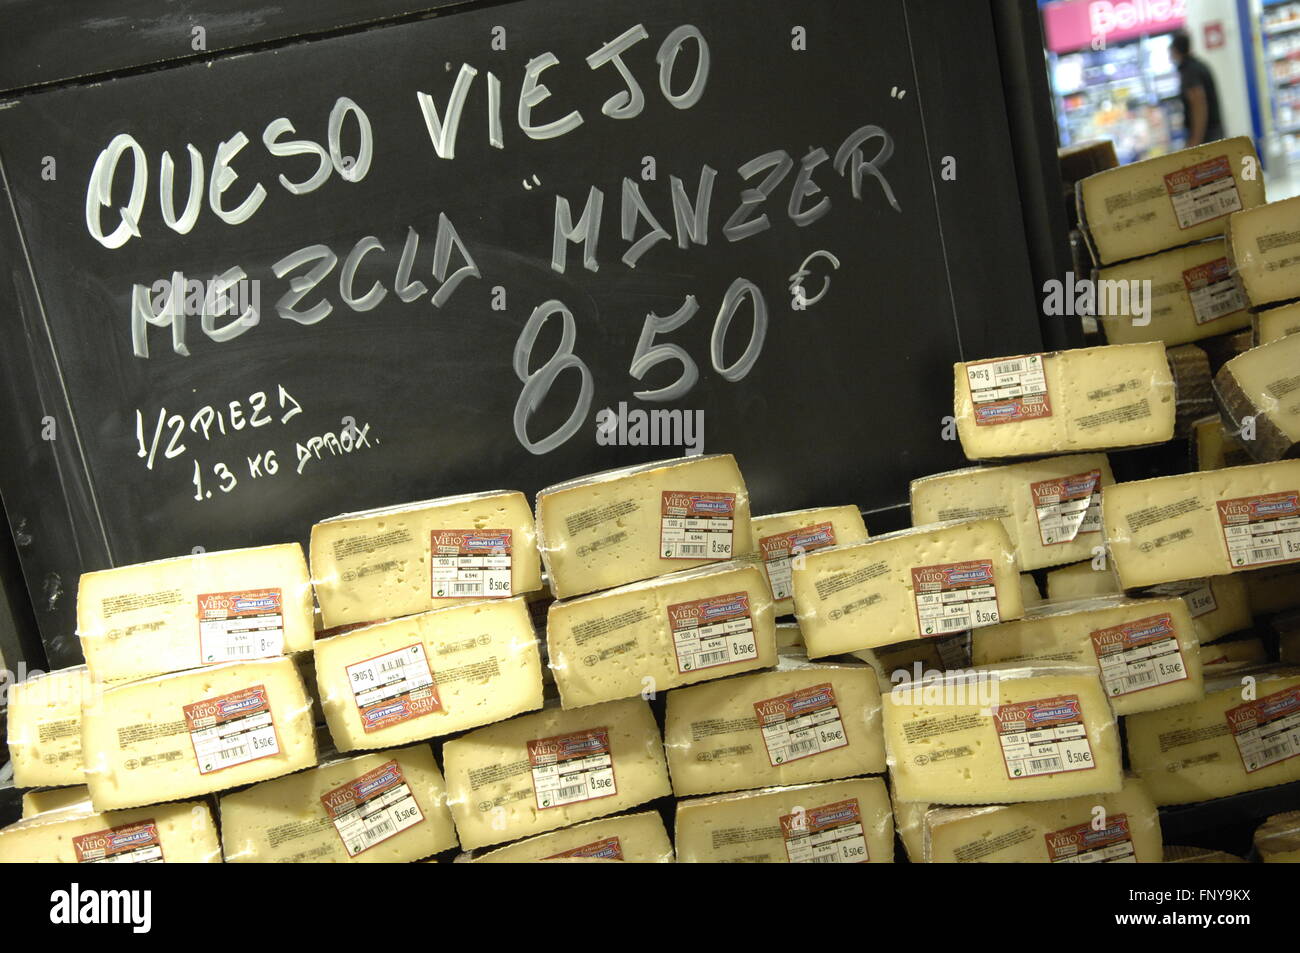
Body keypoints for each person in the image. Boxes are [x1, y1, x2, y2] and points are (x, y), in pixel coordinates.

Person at [1170, 31, 1224, 147]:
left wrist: (1195, 141)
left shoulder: (1189, 71)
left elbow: (1199, 105)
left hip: (1207, 138)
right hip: (1214, 133)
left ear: (1175, 50)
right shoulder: (1199, 65)